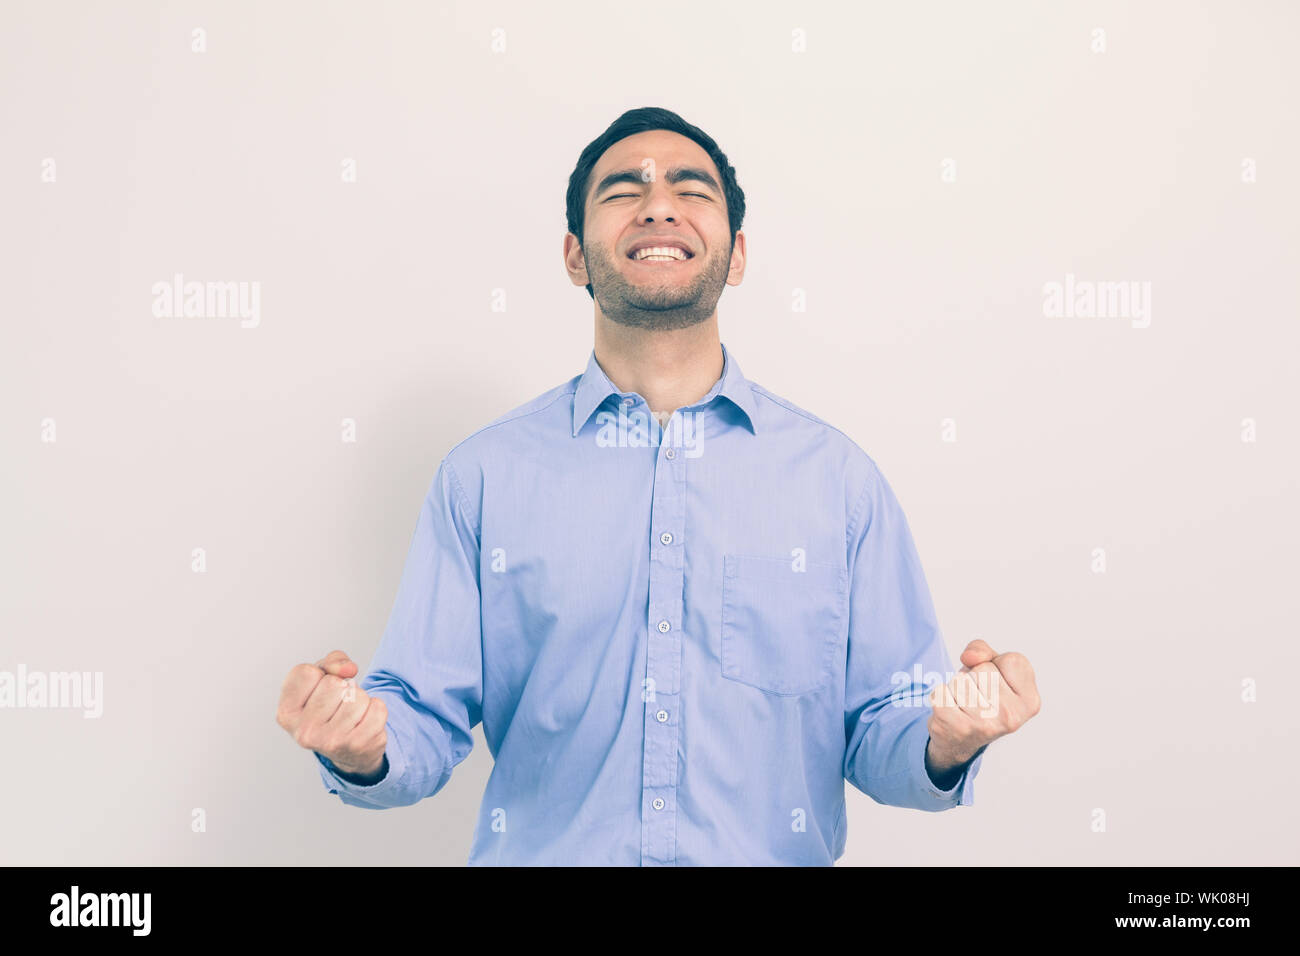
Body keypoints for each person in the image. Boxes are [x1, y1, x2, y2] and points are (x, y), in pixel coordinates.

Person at [275, 106, 1041, 865]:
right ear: (575, 256)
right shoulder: (481, 478)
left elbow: (886, 729)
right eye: (621, 191)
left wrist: (947, 740)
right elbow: (418, 721)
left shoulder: (839, 483)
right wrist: (361, 745)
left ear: (736, 254)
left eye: (690, 188)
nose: (658, 204)